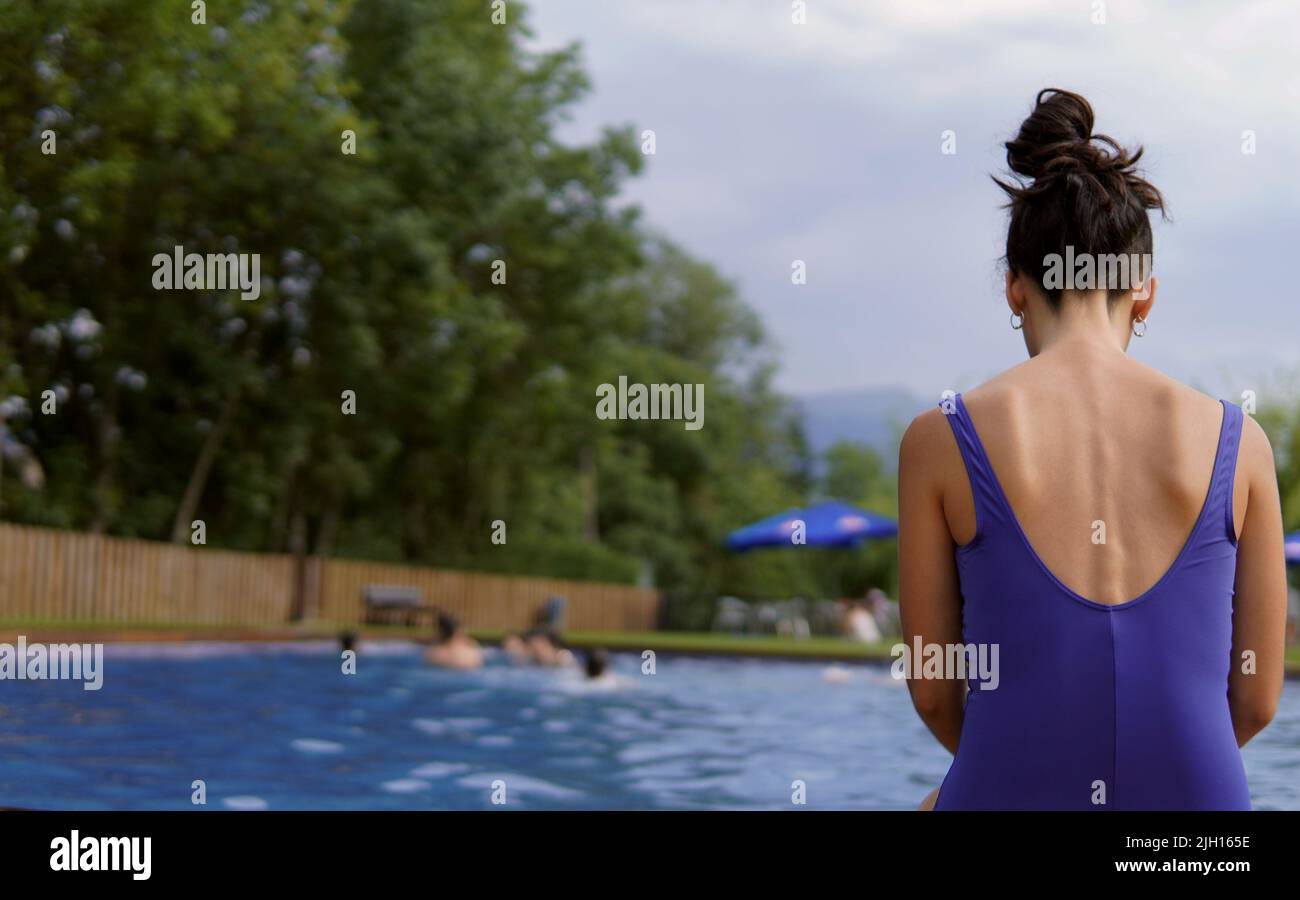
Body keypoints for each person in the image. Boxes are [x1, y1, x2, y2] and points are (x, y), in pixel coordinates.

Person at [897, 89, 1286, 811]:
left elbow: (934, 691)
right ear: (1145, 294)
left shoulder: (939, 438)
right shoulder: (1242, 442)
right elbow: (1257, 701)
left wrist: (1030, 770)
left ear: (1014, 288)